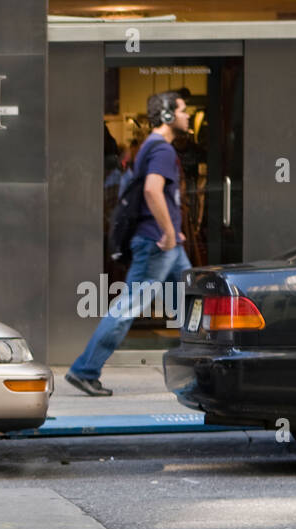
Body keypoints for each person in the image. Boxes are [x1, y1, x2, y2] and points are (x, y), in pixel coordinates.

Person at [67, 91, 191, 396]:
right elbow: (152, 191)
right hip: (157, 245)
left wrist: (173, 229)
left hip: (165, 245)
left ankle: (203, 371)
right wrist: (169, 231)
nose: (188, 115)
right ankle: (84, 370)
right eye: (183, 110)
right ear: (166, 116)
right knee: (128, 307)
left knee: (191, 307)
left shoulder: (150, 148)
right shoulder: (161, 149)